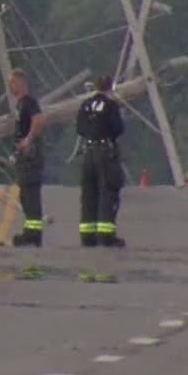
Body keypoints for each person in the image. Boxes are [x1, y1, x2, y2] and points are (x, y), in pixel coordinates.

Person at [76, 74, 126, 248]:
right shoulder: (111, 105)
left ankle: (87, 236)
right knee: (108, 191)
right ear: (110, 87)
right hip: (105, 152)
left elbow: (80, 128)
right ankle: (106, 236)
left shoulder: (86, 104)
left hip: (88, 152)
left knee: (89, 193)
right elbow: (118, 128)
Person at [9, 69, 47, 247]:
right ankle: (30, 231)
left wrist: (27, 140)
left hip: (30, 156)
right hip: (23, 155)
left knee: (30, 194)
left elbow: (38, 120)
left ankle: (33, 235)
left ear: (22, 83)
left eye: (13, 82)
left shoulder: (29, 102)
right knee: (25, 194)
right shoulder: (20, 104)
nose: (11, 86)